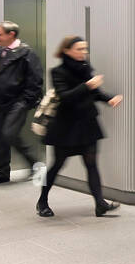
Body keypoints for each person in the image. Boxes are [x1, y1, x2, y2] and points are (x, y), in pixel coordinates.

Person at [37, 36, 123, 217]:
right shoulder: (57, 72)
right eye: (79, 49)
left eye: (85, 49)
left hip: (87, 124)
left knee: (92, 164)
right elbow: (65, 96)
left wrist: (109, 99)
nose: (84, 52)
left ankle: (100, 204)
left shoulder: (85, 69)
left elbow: (96, 93)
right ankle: (42, 201)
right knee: (57, 165)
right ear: (67, 50)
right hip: (65, 128)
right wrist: (87, 85)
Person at [0, 21, 44, 185]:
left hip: (17, 102)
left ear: (11, 34)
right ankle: (0, 173)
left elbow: (36, 80)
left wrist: (25, 101)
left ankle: (34, 163)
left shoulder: (27, 53)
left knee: (9, 133)